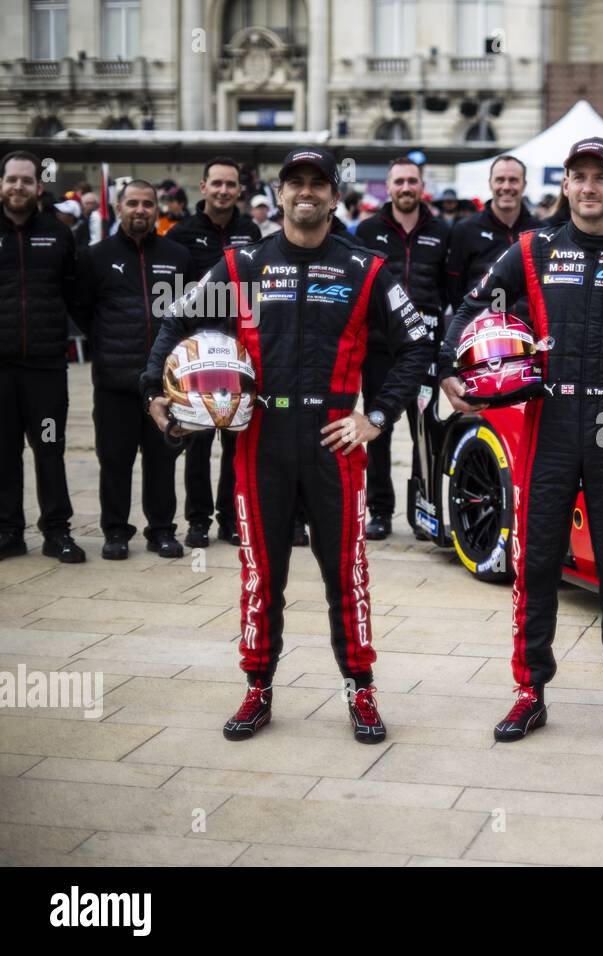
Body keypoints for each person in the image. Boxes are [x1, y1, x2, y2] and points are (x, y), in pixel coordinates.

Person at [142, 147, 437, 742]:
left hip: (336, 443)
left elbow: (419, 345)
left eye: (318, 184)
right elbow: (175, 322)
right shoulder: (241, 264)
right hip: (259, 440)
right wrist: (158, 389)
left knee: (346, 574)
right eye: (295, 183)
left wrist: (375, 416)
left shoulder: (366, 267)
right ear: (278, 195)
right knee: (260, 574)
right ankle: (257, 689)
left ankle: (361, 691)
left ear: (334, 195)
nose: (306, 192)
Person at [439, 137, 603, 744]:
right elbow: (472, 306)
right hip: (547, 425)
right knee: (538, 558)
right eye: (577, 176)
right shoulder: (532, 248)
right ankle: (530, 693)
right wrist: (449, 365)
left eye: (600, 177)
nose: (587, 187)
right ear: (566, 186)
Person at [72, 180, 191, 559]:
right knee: (115, 460)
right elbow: (83, 311)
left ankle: (161, 531)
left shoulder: (178, 256)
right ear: (118, 208)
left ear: (157, 209)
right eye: (133, 204)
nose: (140, 210)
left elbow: (188, 313)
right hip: (115, 380)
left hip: (163, 384)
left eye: (147, 204)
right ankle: (116, 531)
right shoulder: (95, 257)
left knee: (162, 460)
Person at [167, 157, 264, 549]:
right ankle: (197, 521)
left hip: (240, 351)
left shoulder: (250, 231)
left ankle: (230, 520)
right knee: (198, 440)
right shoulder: (181, 234)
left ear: (240, 190)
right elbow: (174, 300)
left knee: (237, 440)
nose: (224, 190)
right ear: (203, 187)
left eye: (231, 184)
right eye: (217, 184)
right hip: (196, 353)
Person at [354, 157, 450, 540]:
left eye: (412, 181)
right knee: (378, 428)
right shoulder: (367, 230)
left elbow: (451, 291)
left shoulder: (442, 231)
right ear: (389, 187)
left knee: (424, 431)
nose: (406, 188)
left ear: (421, 184)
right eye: (399, 182)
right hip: (379, 349)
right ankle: (380, 511)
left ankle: (423, 511)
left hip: (424, 349)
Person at [0, 150, 85, 563]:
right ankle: (8, 531)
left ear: (38, 187)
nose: (18, 187)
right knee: (3, 451)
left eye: (26, 180)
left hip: (47, 369)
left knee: (49, 447)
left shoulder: (58, 234)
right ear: (2, 184)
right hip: (1, 370)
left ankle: (57, 530)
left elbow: (77, 296)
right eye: (11, 179)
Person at [445, 155, 540, 307]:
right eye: (500, 180)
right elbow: (454, 287)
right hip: (481, 326)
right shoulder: (466, 229)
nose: (506, 186)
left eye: (513, 180)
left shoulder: (540, 231)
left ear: (524, 184)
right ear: (490, 183)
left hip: (529, 328)